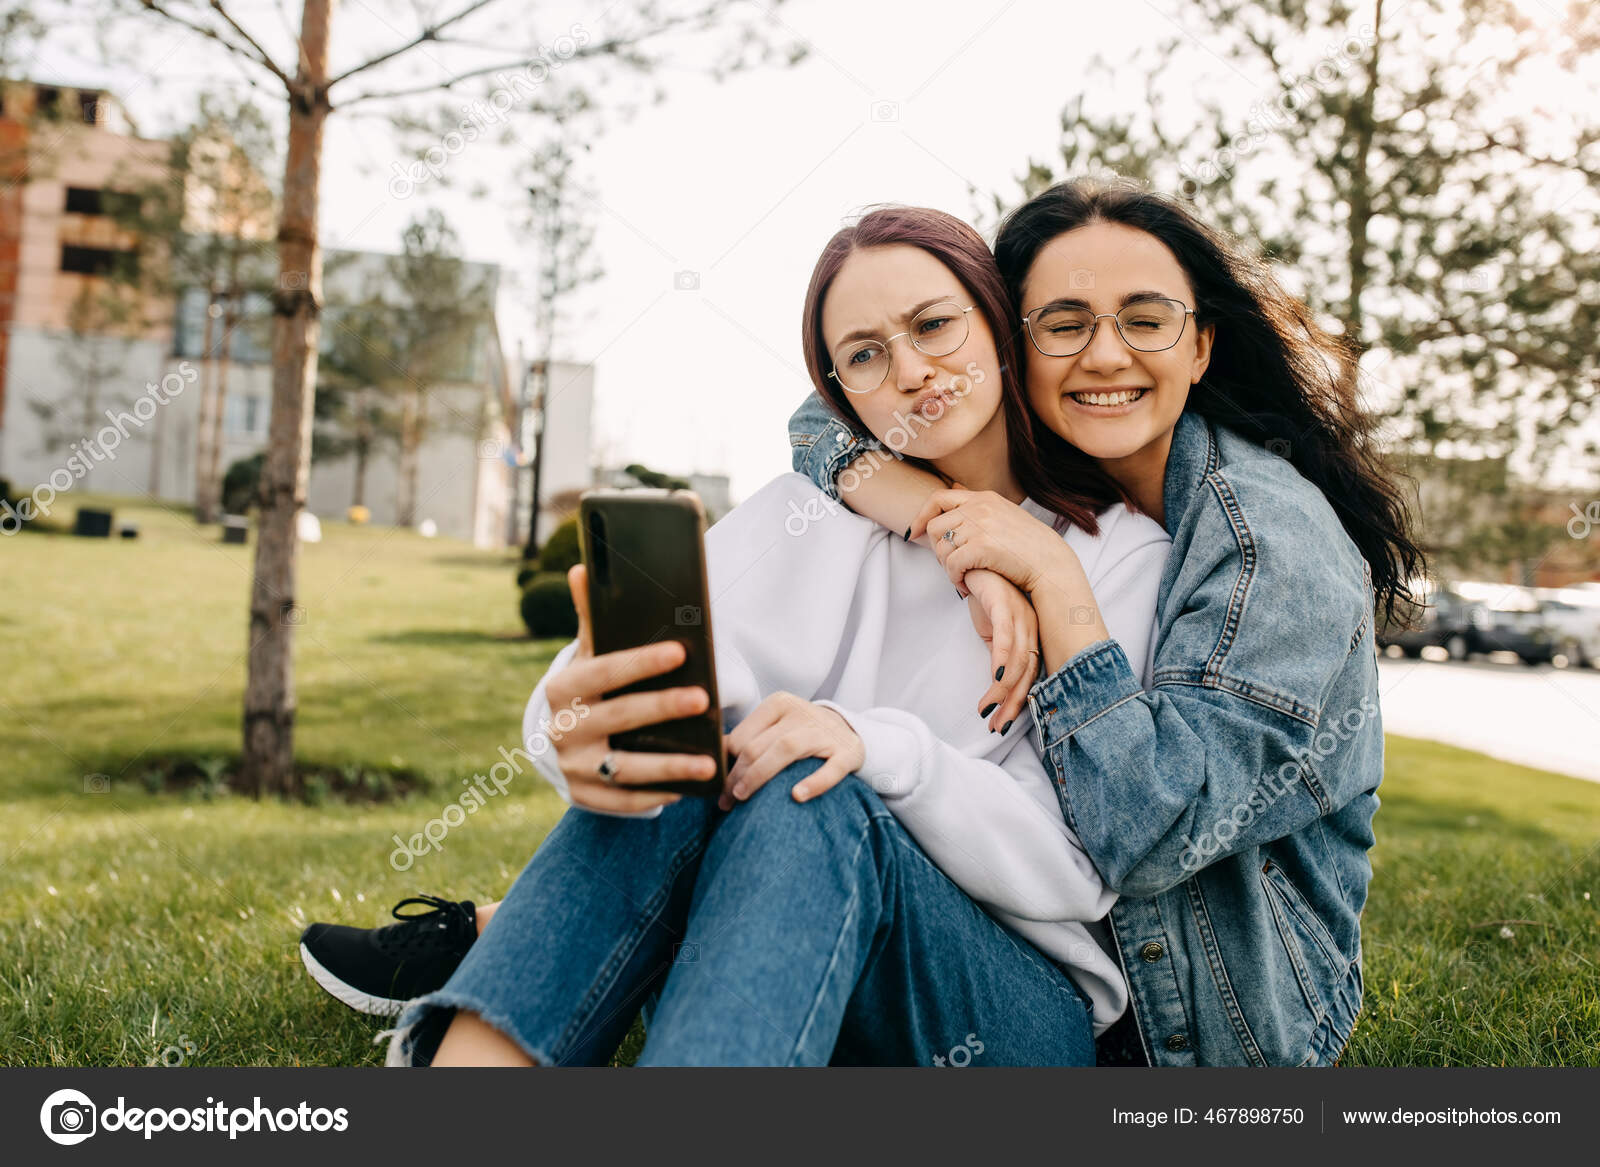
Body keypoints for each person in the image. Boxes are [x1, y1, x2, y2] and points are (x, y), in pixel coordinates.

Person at [368, 206, 1170, 1066]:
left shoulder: (1116, 551)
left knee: (807, 778)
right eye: (865, 354)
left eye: (935, 325)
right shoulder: (806, 516)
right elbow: (644, 688)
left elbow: (1077, 868)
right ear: (839, 389)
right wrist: (577, 717)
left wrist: (870, 747)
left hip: (1005, 1005)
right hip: (789, 941)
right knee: (683, 745)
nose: (910, 371)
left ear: (995, 318)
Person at [781, 177, 1423, 1066]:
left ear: (1200, 346)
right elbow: (828, 415)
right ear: (1014, 343)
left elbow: (1158, 834)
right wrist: (942, 524)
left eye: (1146, 319)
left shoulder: (1271, 543)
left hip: (1198, 1029)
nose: (1105, 356)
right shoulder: (1075, 476)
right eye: (1065, 322)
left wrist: (1053, 578)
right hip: (1038, 954)